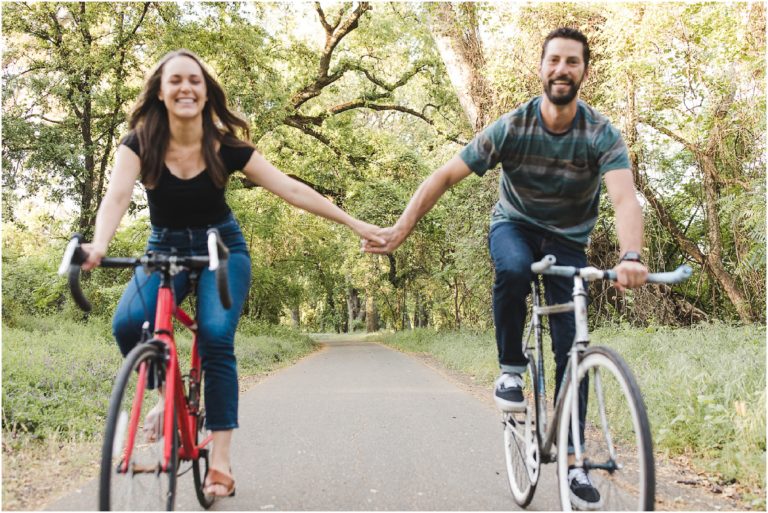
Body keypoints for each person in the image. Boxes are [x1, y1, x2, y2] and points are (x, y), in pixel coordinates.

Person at [364, 28, 648, 509]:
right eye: (554, 60)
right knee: (513, 269)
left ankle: (576, 458)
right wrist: (400, 229)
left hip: (568, 241)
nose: (562, 69)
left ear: (584, 72)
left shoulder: (601, 133)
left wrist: (631, 256)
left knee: (571, 346)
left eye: (572, 62)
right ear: (540, 68)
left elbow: (624, 198)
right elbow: (444, 176)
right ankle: (511, 369)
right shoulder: (513, 126)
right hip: (513, 226)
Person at [81, 49, 384, 498]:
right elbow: (117, 197)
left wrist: (356, 223)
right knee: (128, 322)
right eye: (176, 80)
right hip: (163, 245)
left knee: (216, 338)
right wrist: (99, 244)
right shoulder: (139, 142)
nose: (186, 87)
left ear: (205, 93)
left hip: (220, 248)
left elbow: (292, 189)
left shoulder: (223, 144)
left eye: (195, 81)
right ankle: (167, 400)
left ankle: (219, 462)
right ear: (161, 93)